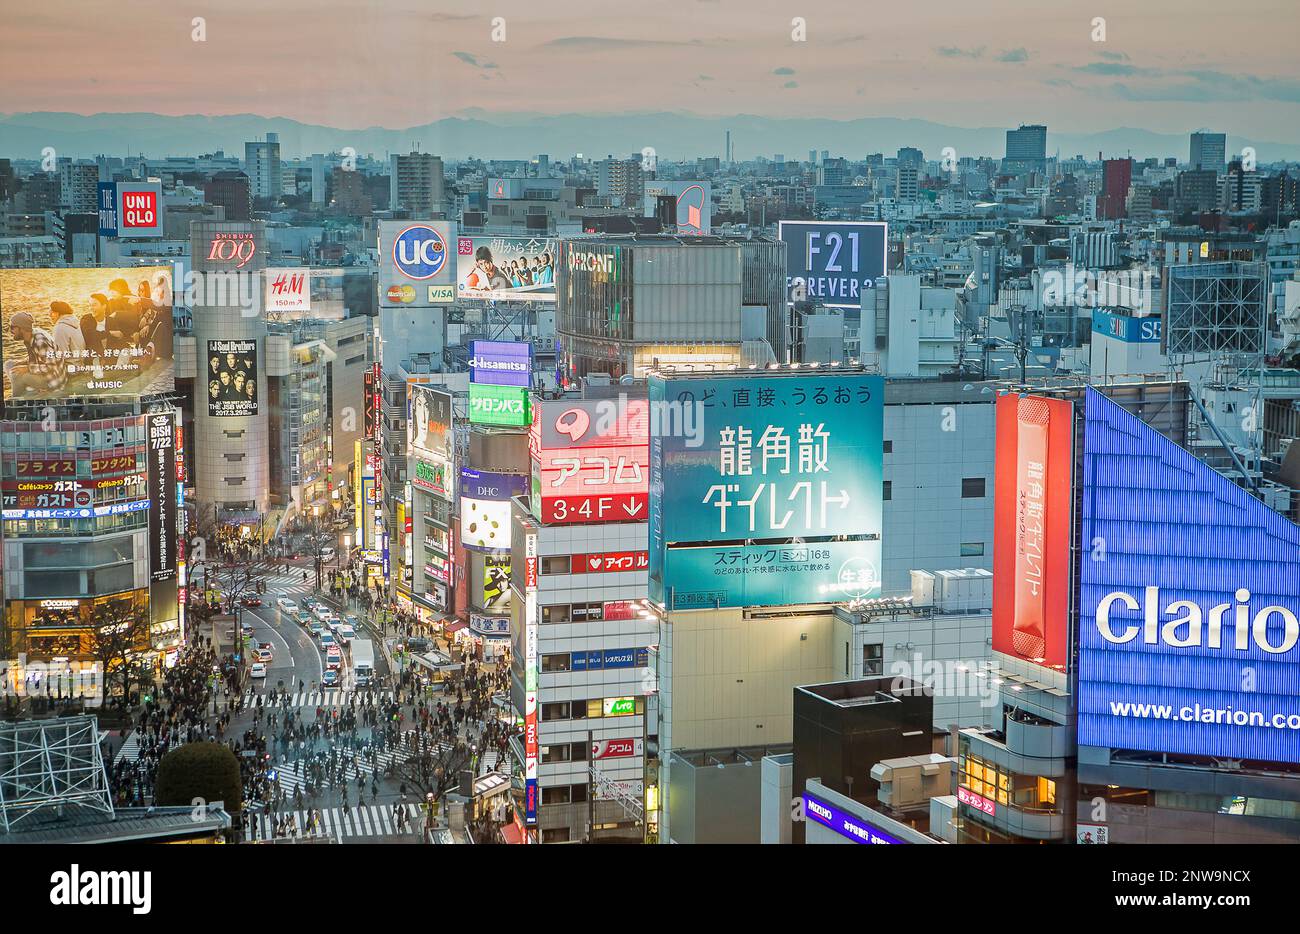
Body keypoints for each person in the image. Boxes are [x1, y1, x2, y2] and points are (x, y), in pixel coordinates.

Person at [5, 311, 67, 396]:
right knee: (9, 364)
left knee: (16, 376)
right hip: (43, 372)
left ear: (22, 328)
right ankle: (28, 390)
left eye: (12, 327)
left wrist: (27, 368)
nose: (10, 330)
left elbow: (51, 367)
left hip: (53, 380)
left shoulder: (41, 342)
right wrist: (25, 361)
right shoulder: (31, 336)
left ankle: (16, 400)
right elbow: (39, 357)